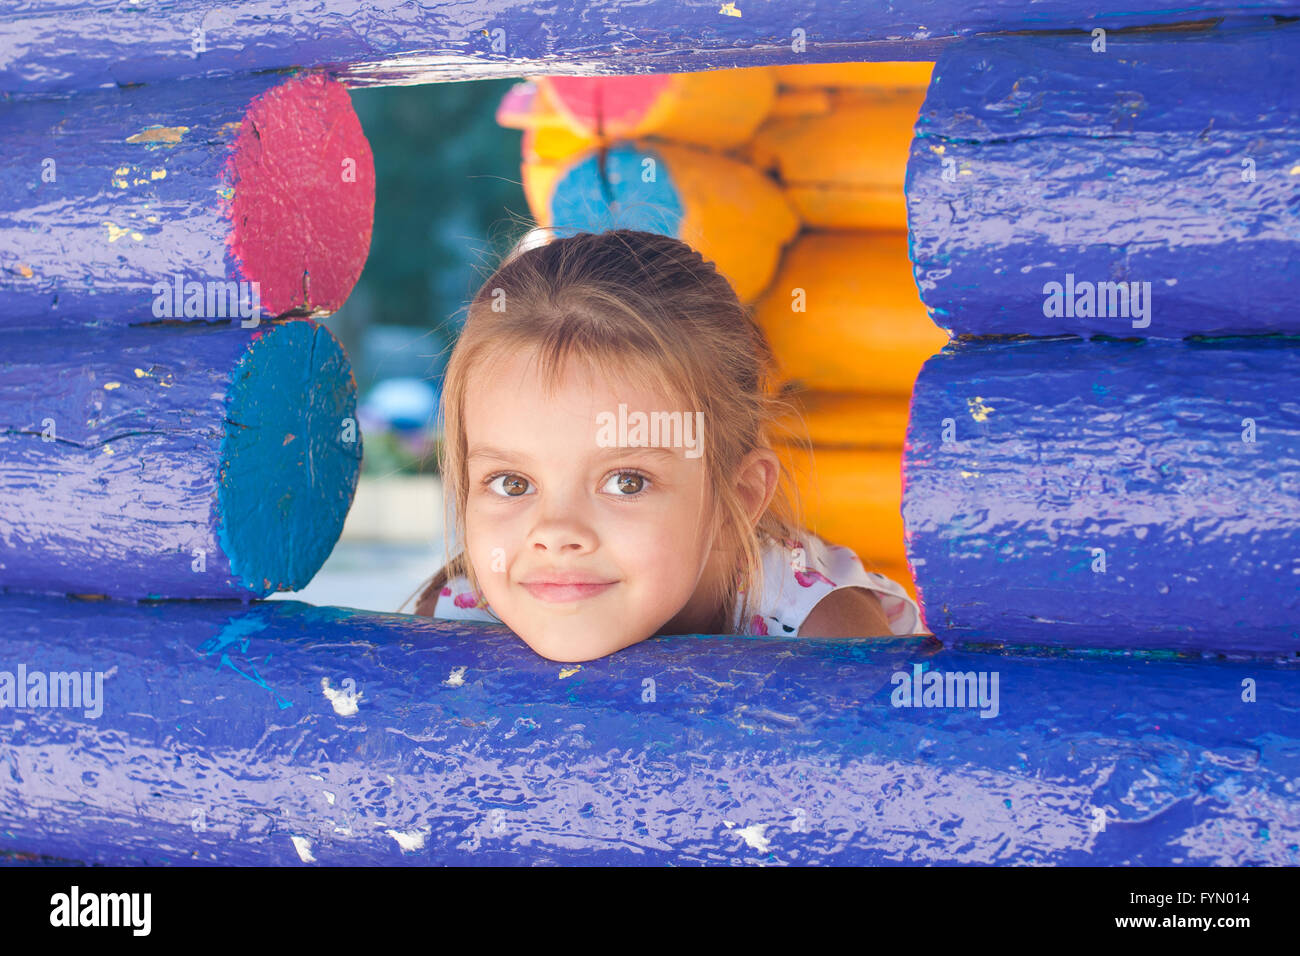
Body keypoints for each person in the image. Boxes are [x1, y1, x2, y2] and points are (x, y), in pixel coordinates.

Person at [407, 228, 924, 661]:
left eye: (625, 482)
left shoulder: (827, 640)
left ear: (737, 496)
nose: (556, 533)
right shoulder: (458, 619)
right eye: (512, 482)